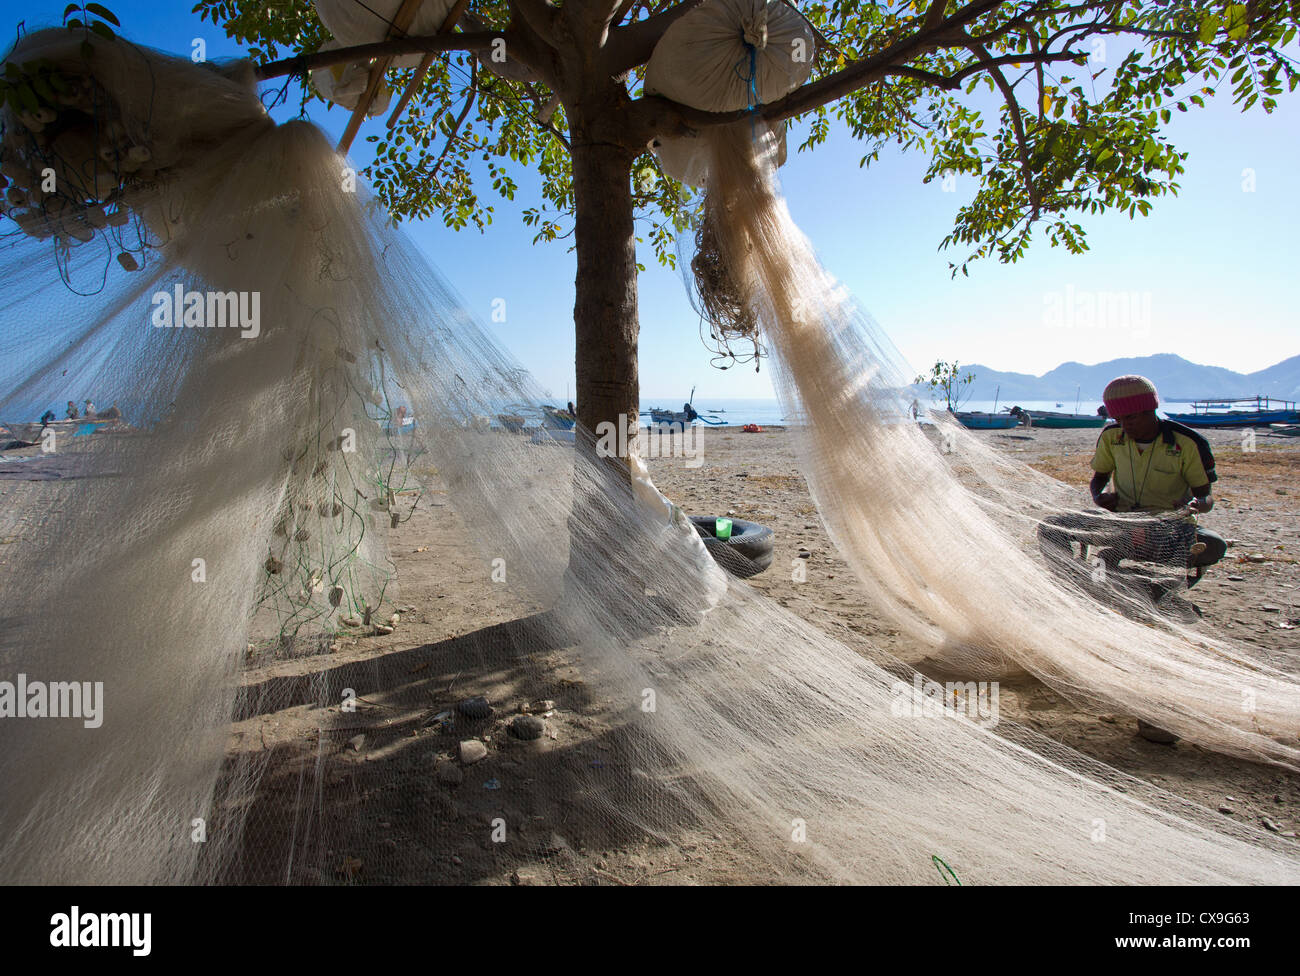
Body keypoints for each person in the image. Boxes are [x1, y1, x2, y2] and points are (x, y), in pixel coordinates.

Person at [1038, 374, 1226, 594]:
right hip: (1120, 521)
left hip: (1167, 528)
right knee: (1051, 527)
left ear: (1150, 410)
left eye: (1131, 418)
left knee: (1214, 545)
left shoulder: (1188, 443)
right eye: (1119, 420)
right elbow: (1099, 478)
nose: (1125, 426)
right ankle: (1073, 582)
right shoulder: (1111, 436)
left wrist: (1195, 504)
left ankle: (1142, 581)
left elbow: (1207, 497)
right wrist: (1099, 496)